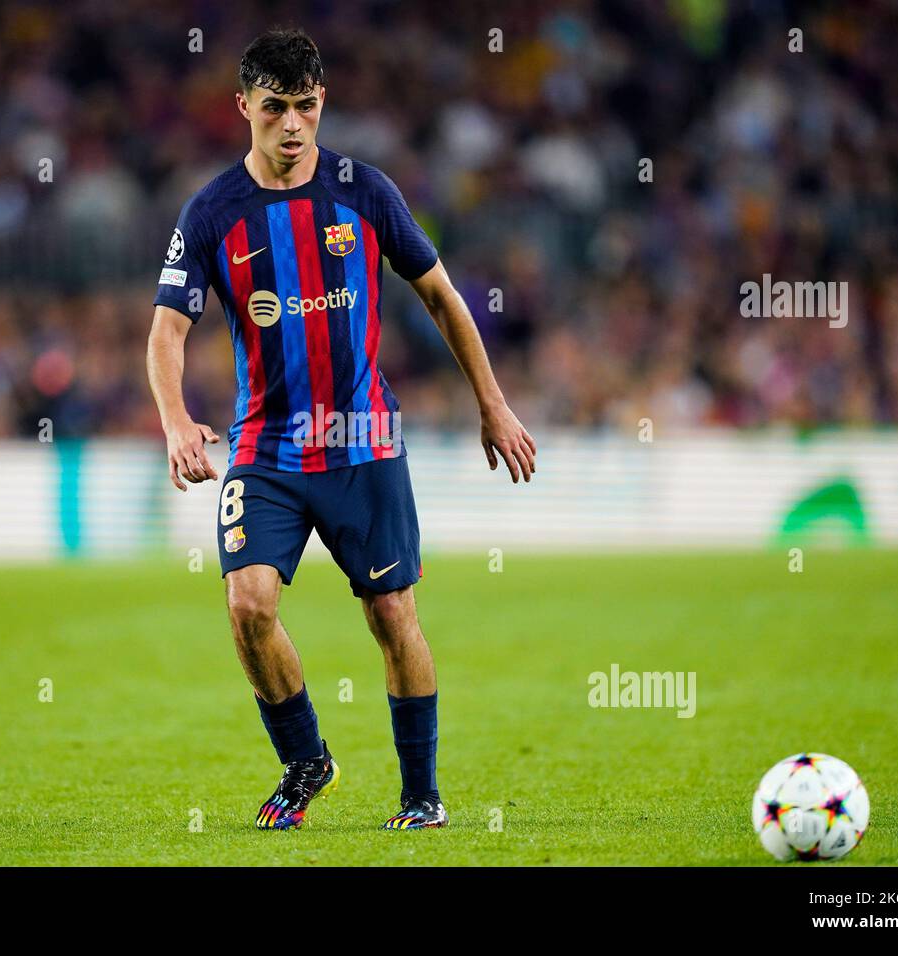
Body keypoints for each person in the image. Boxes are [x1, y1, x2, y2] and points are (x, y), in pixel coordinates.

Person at [146, 27, 535, 831]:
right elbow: (167, 332)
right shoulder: (213, 211)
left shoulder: (365, 191)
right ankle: (305, 762)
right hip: (267, 449)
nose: (292, 125)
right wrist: (177, 419)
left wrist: (492, 402)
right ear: (244, 107)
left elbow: (441, 296)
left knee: (393, 615)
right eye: (275, 108)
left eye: (307, 107)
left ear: (322, 103)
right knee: (248, 605)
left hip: (364, 442)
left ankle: (421, 795)